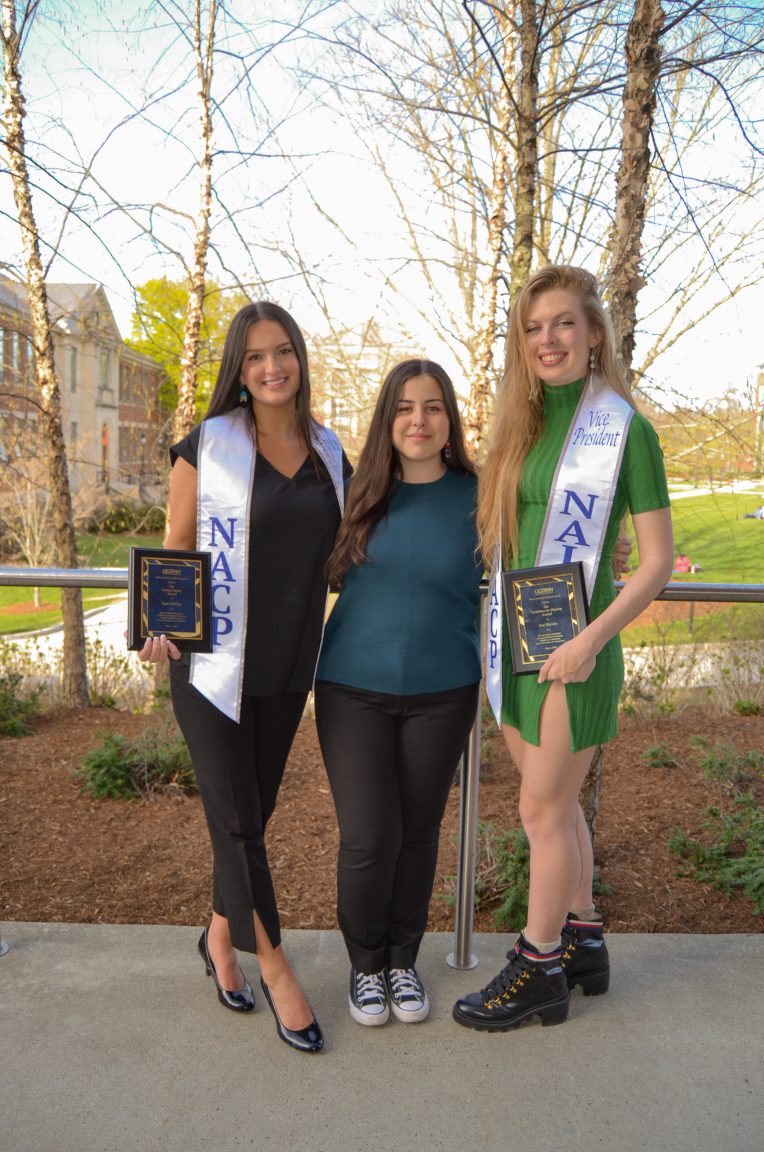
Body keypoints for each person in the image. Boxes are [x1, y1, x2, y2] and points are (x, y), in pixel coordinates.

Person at [453, 265, 673, 1033]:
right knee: (559, 807)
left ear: (594, 335)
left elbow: (654, 563)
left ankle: (537, 966)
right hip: (518, 637)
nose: (547, 339)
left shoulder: (626, 429)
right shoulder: (523, 426)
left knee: (540, 810)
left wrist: (588, 643)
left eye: (563, 324)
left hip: (573, 649)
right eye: (533, 327)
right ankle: (583, 941)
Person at [138, 301, 350, 1054]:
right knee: (235, 823)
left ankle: (217, 940)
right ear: (240, 365)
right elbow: (177, 542)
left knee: (249, 822)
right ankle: (278, 969)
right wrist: (161, 620)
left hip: (289, 663)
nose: (272, 367)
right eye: (256, 355)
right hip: (211, 666)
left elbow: (357, 543)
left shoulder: (330, 452)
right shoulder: (208, 444)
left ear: (299, 358)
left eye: (283, 351)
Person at [314, 359, 483, 1026]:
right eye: (405, 407)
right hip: (351, 689)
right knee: (366, 836)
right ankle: (366, 968)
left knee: (418, 833)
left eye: (434, 406)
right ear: (387, 419)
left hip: (444, 690)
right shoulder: (351, 494)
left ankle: (402, 963)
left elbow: (544, 547)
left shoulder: (480, 494)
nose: (419, 419)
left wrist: (611, 553)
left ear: (449, 421)